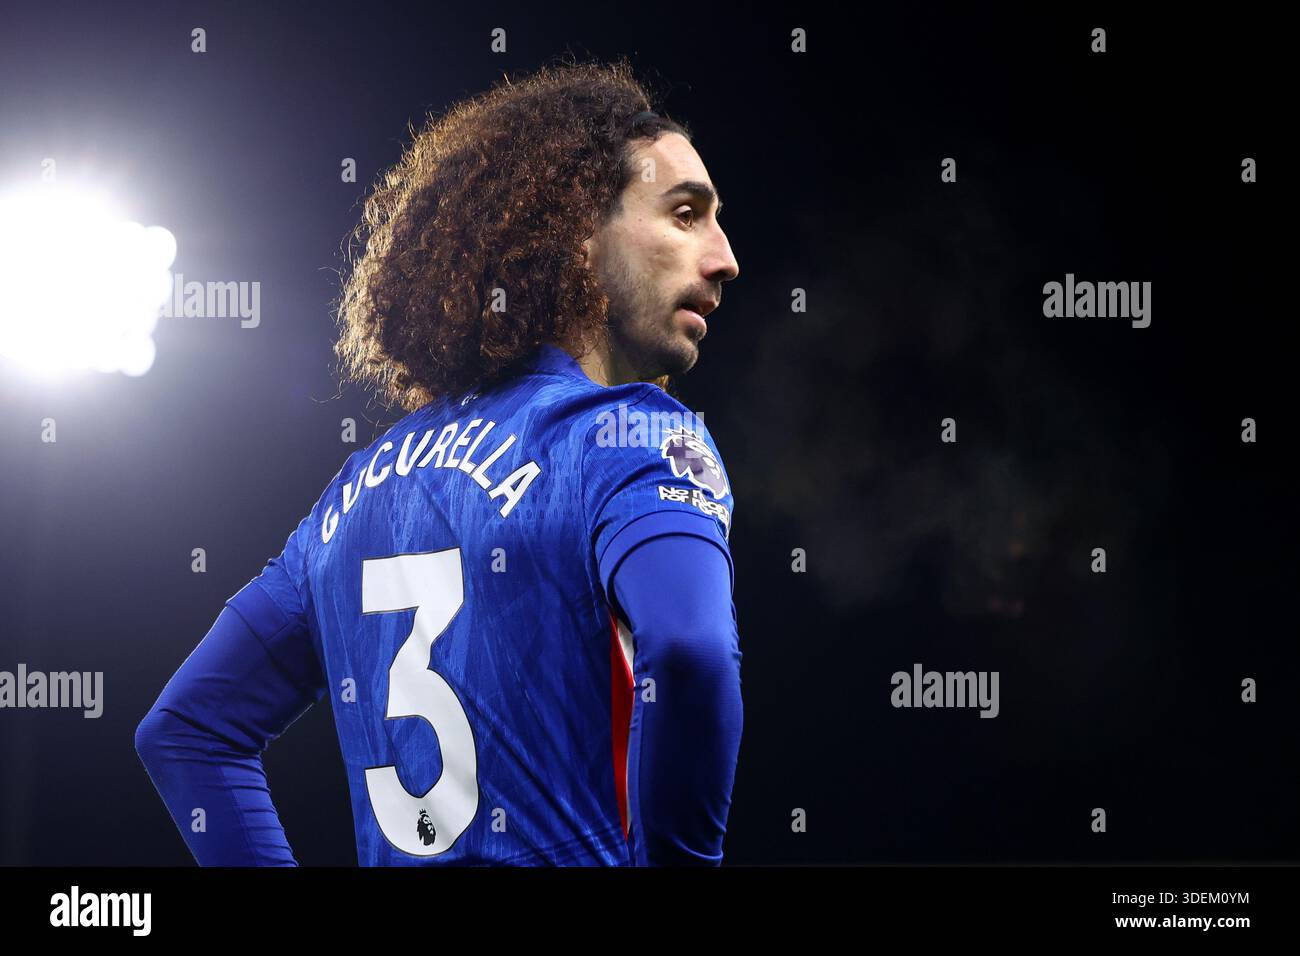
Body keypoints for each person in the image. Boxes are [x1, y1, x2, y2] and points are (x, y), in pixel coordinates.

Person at [135, 60, 743, 866]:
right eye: (685, 214)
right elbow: (692, 653)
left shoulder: (350, 496)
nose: (724, 256)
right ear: (575, 233)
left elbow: (187, 731)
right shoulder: (633, 435)